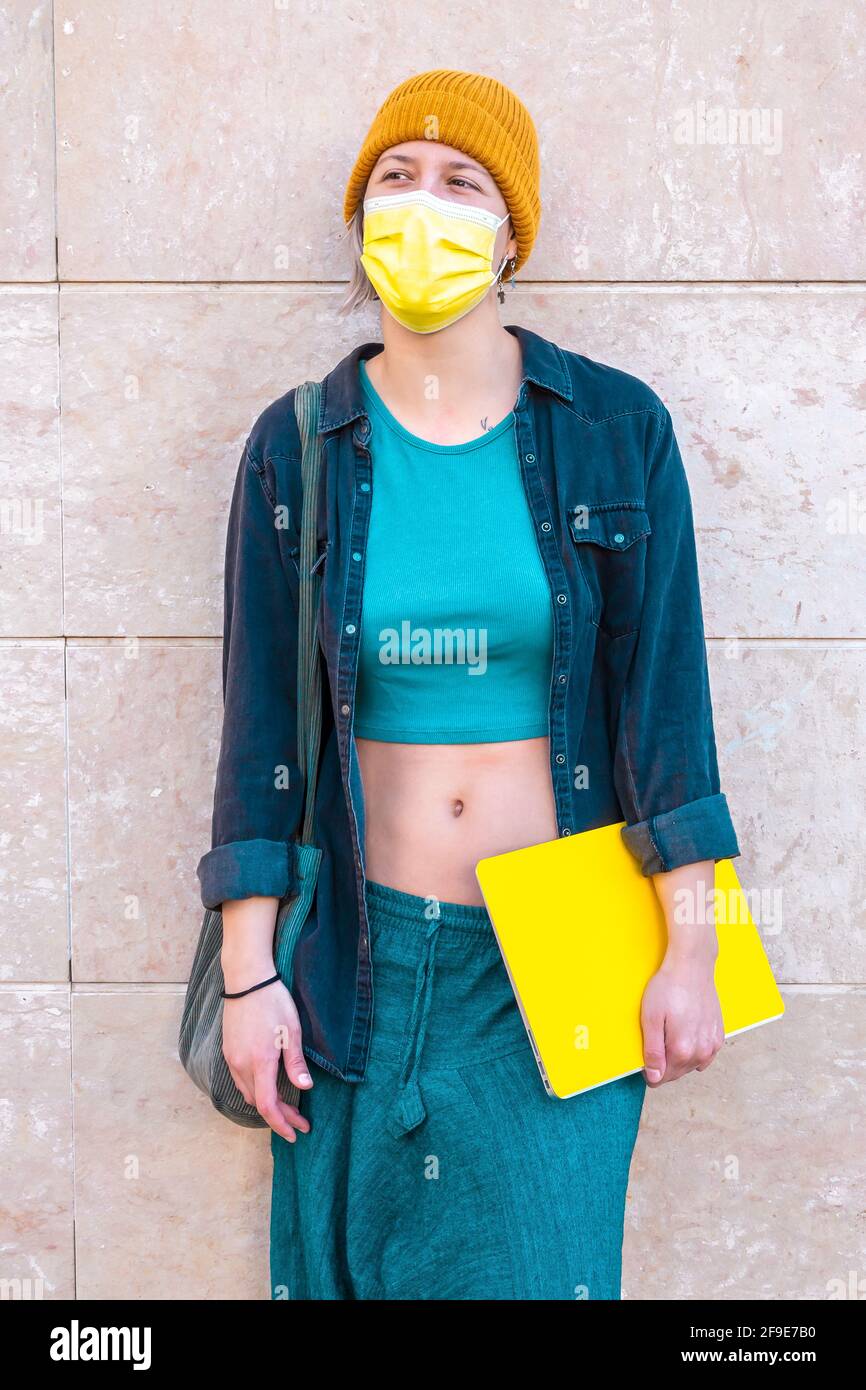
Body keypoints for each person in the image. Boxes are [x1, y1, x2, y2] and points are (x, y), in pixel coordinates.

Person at [196, 69, 740, 1300]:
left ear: (510, 233)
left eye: (461, 183)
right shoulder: (297, 443)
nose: (422, 205)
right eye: (396, 178)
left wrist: (692, 943)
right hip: (350, 954)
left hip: (560, 956)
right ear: (358, 217)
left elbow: (665, 709)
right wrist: (248, 969)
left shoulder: (613, 427)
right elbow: (258, 736)